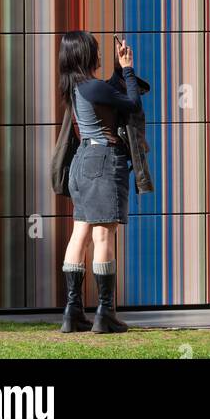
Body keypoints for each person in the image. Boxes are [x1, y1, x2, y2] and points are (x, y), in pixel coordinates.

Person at [57, 31, 142, 334]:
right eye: (94, 49)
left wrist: (118, 72)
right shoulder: (92, 87)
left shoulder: (78, 86)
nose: (98, 53)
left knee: (80, 234)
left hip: (83, 162)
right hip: (104, 161)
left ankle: (73, 311)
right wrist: (129, 69)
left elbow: (108, 93)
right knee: (103, 237)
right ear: (85, 54)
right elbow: (131, 102)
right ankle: (105, 312)